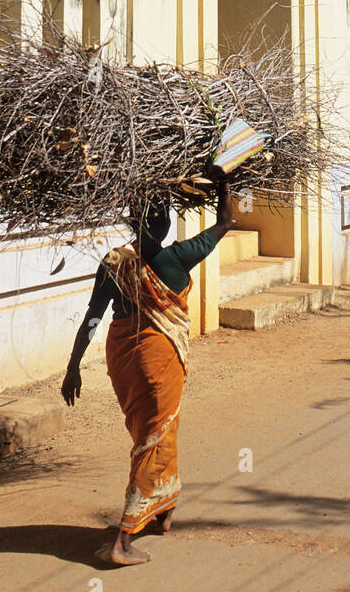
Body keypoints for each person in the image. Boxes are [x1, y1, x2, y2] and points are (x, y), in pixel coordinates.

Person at [61, 180, 234, 566]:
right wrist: (224, 181)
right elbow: (225, 222)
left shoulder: (113, 262)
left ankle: (161, 510)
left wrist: (73, 366)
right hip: (157, 358)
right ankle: (123, 541)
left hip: (121, 358)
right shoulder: (175, 258)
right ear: (162, 225)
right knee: (155, 436)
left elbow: (93, 318)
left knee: (151, 430)